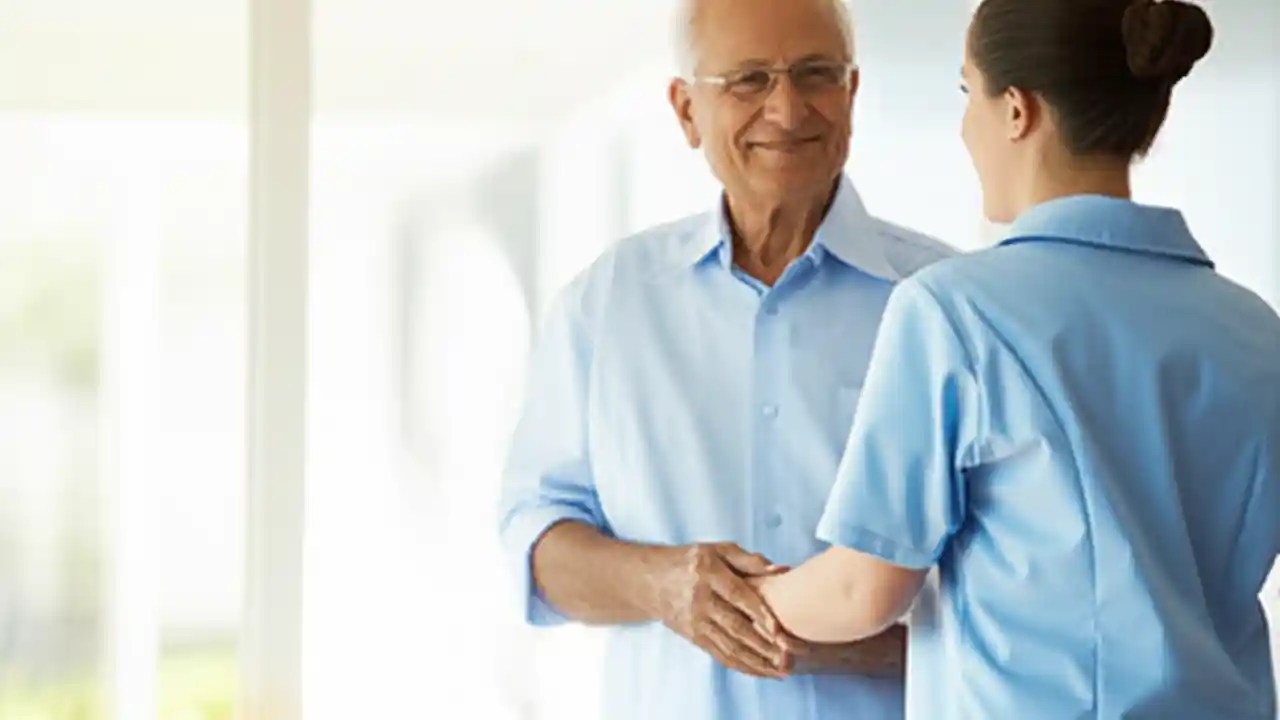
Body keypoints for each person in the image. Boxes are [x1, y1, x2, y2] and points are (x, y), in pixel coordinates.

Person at [753, 0, 1280, 717]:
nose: (964, 126)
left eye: (967, 92)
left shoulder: (955, 313)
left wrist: (740, 596)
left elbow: (863, 590)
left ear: (1016, 111)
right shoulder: (1254, 329)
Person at [498, 0, 955, 717]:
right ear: (685, 111)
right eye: (748, 80)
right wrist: (661, 583)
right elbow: (538, 547)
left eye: (816, 74)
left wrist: (830, 627)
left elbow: (1009, 593)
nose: (787, 108)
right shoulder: (607, 304)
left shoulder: (945, 306)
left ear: (853, 92)